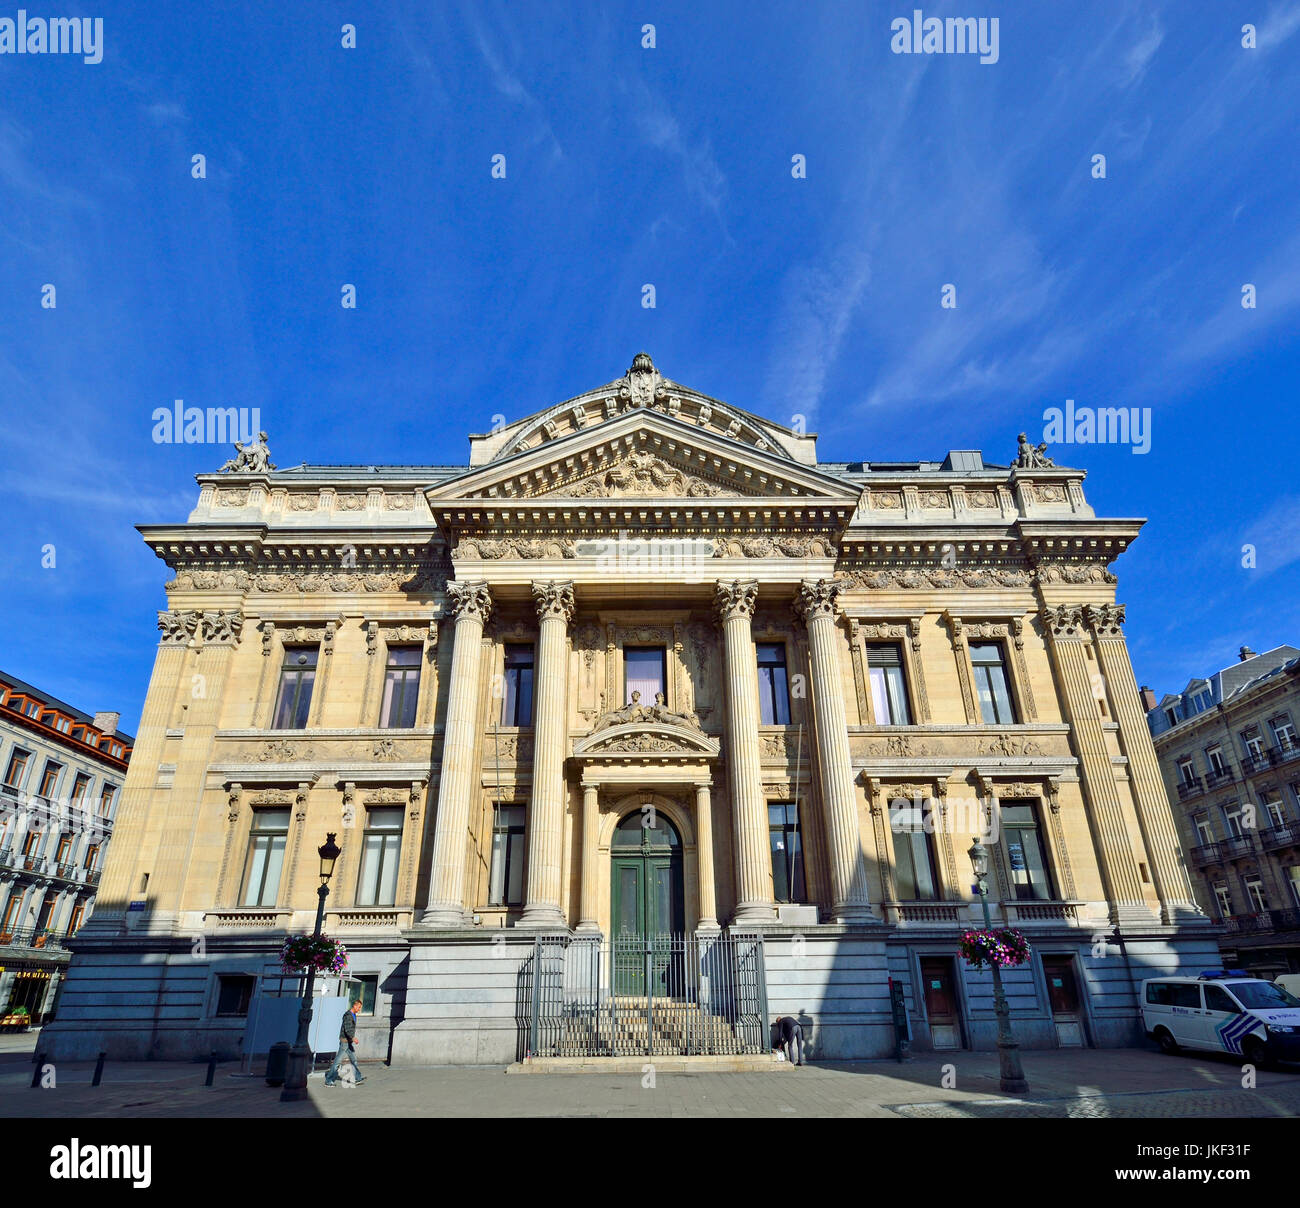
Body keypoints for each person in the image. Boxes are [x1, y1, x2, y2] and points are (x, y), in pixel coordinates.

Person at [323, 999, 365, 1086]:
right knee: (337, 1062)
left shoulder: (354, 1015)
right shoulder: (348, 1015)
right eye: (359, 1007)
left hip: (348, 1042)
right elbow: (347, 1028)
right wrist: (353, 1038)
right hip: (344, 1042)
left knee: (354, 1060)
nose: (359, 1009)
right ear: (354, 1005)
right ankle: (328, 1080)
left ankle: (357, 1078)